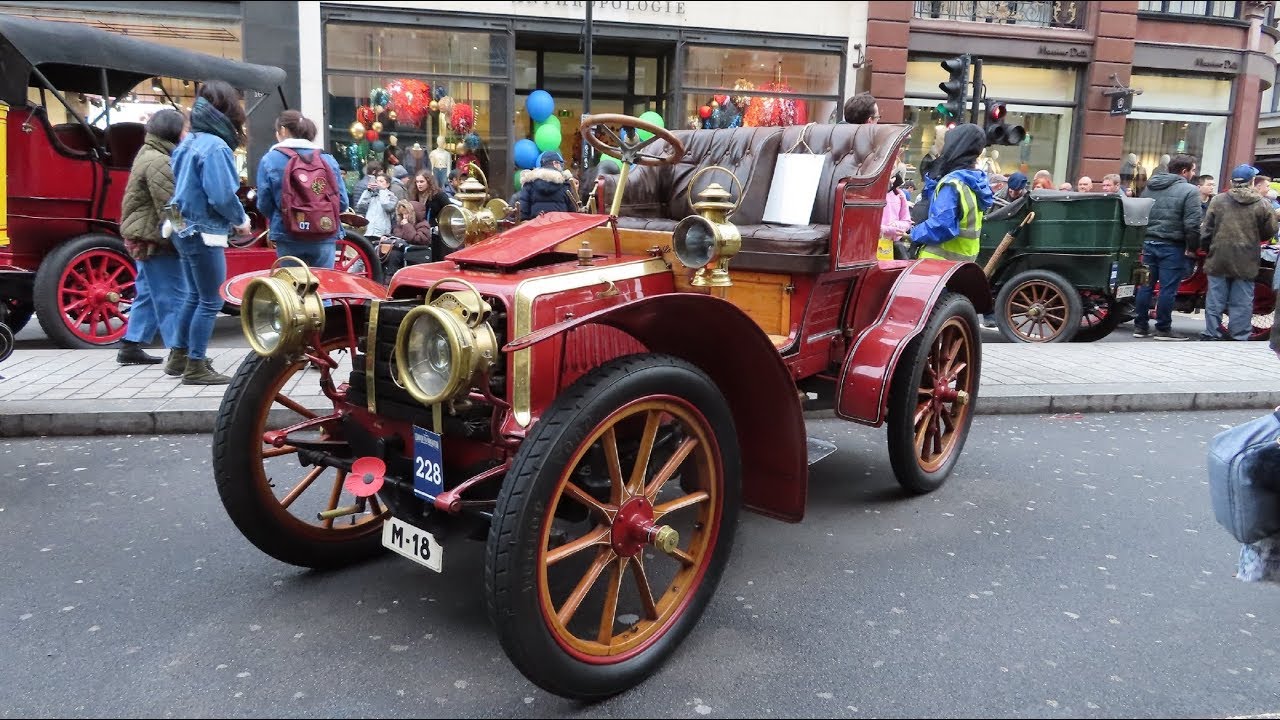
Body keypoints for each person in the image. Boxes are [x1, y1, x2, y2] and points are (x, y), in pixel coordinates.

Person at [169, 80, 251, 385]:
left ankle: (179, 356)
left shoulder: (190, 141)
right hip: (204, 229)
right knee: (210, 300)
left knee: (193, 295)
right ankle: (196, 364)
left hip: (181, 225)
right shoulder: (216, 146)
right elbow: (221, 195)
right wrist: (240, 219)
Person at [117, 108, 187, 367]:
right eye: (185, 128)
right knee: (171, 295)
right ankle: (181, 354)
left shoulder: (148, 153)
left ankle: (131, 345)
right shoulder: (161, 160)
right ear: (174, 131)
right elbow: (169, 205)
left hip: (141, 233)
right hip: (154, 238)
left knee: (147, 291)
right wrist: (185, 233)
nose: (187, 133)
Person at [254, 110, 349, 269]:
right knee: (324, 286)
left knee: (291, 288)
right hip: (324, 232)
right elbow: (342, 202)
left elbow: (264, 203)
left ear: (283, 130)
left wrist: (284, 216)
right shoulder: (327, 159)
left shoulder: (270, 159)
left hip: (288, 233)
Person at [1199, 164, 1278, 341]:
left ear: (1231, 181)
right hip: (1247, 257)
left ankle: (1212, 333)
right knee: (1242, 300)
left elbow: (1206, 231)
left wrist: (1207, 248)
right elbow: (1270, 231)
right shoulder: (1262, 203)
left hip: (1219, 256)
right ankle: (1240, 334)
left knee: (1215, 299)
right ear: (1251, 182)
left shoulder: (1218, 200)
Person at [1132, 153, 1203, 341]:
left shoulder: (1150, 187)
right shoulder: (1190, 190)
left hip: (1148, 242)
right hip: (1172, 245)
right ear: (1184, 171)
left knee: (1145, 287)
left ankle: (1140, 326)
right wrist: (1193, 247)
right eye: (1193, 170)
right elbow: (1192, 224)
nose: (1194, 174)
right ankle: (1163, 329)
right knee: (1167, 289)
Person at [909, 123, 993, 263]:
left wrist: (912, 233)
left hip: (937, 266)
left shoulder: (952, 184)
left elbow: (942, 226)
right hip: (963, 264)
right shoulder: (975, 181)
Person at [515, 151, 579, 219]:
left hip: (537, 227)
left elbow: (523, 213)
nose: (562, 167)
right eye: (561, 163)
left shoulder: (529, 184)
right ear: (555, 163)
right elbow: (574, 213)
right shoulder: (566, 185)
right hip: (560, 227)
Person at [880, 160, 912, 260]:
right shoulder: (870, 193)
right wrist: (886, 229)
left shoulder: (899, 195)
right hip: (871, 244)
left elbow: (907, 222)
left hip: (892, 246)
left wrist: (895, 226)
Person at [356, 173, 398, 239]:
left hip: (382, 233)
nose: (378, 183)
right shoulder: (372, 195)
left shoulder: (392, 196)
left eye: (381, 181)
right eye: (377, 181)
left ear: (388, 184)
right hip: (368, 231)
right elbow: (360, 206)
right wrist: (368, 191)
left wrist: (381, 190)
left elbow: (387, 206)